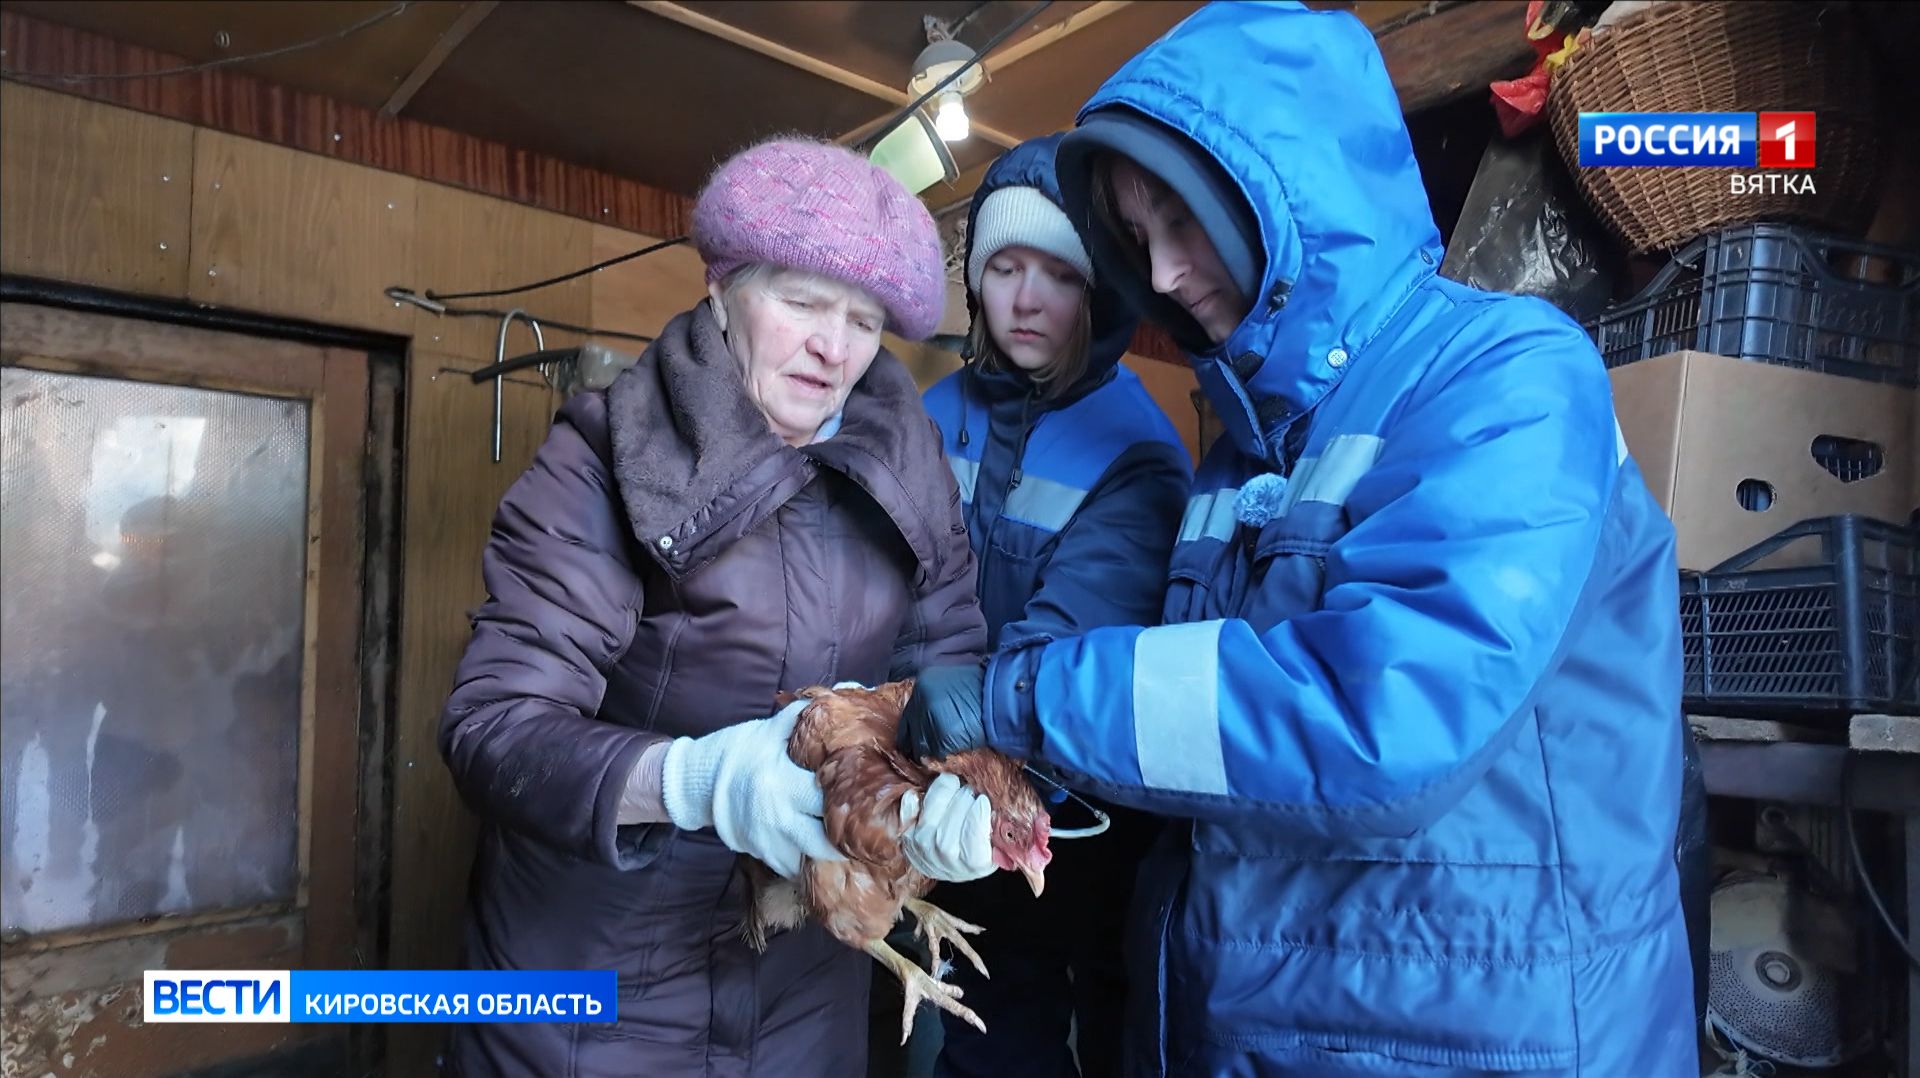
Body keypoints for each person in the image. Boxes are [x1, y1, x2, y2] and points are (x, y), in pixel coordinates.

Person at [898, 3, 1697, 1075]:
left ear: (1289, 188)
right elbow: (1197, 735)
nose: (1169, 274)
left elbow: (1378, 715)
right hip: (1248, 1021)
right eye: (1139, 241)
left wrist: (1020, 701)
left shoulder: (1504, 375)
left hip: (1472, 1030)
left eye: (1183, 220)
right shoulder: (1244, 450)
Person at [437, 137, 997, 1077]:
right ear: (722, 285)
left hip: (803, 992)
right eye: (803, 301)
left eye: (865, 319)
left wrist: (957, 781)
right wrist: (694, 783)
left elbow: (946, 669)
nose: (835, 346)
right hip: (597, 994)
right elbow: (495, 726)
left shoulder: (909, 466)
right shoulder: (608, 456)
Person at [919, 133, 1191, 1077]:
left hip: (1088, 810)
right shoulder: (924, 416)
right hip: (954, 801)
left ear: (1103, 289)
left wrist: (946, 704)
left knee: (1118, 1028)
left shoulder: (1137, 454)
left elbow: (1072, 633)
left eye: (1061, 276)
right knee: (989, 1035)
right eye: (1003, 266)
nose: (1026, 299)